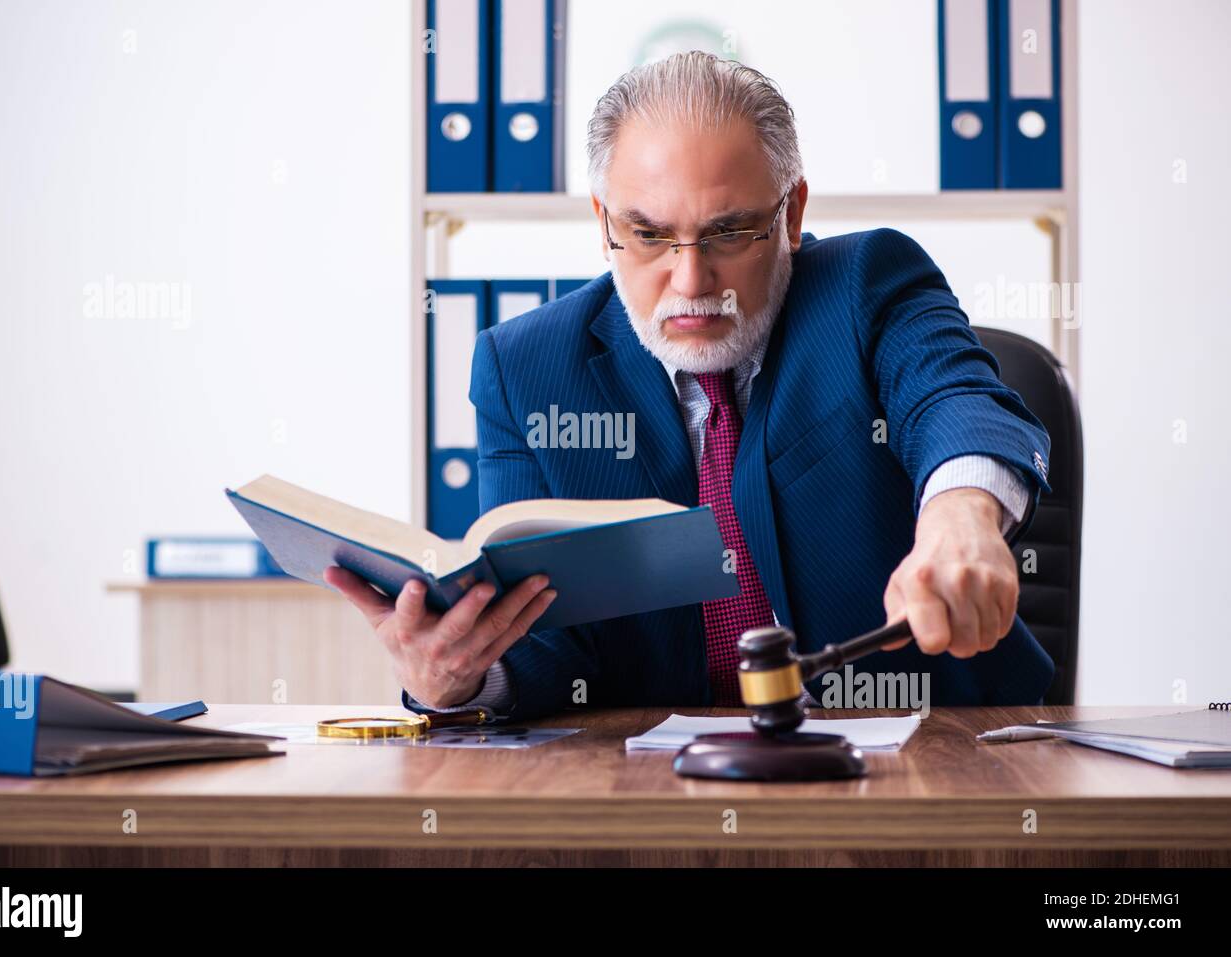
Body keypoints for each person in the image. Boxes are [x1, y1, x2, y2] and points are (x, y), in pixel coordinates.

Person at [326, 51, 1054, 720]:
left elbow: (956, 402)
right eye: (647, 235)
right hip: (654, 794)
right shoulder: (525, 370)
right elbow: (542, 649)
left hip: (940, 756)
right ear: (603, 222)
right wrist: (455, 678)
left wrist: (962, 512)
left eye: (729, 233)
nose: (690, 281)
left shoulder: (868, 286)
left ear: (792, 213)